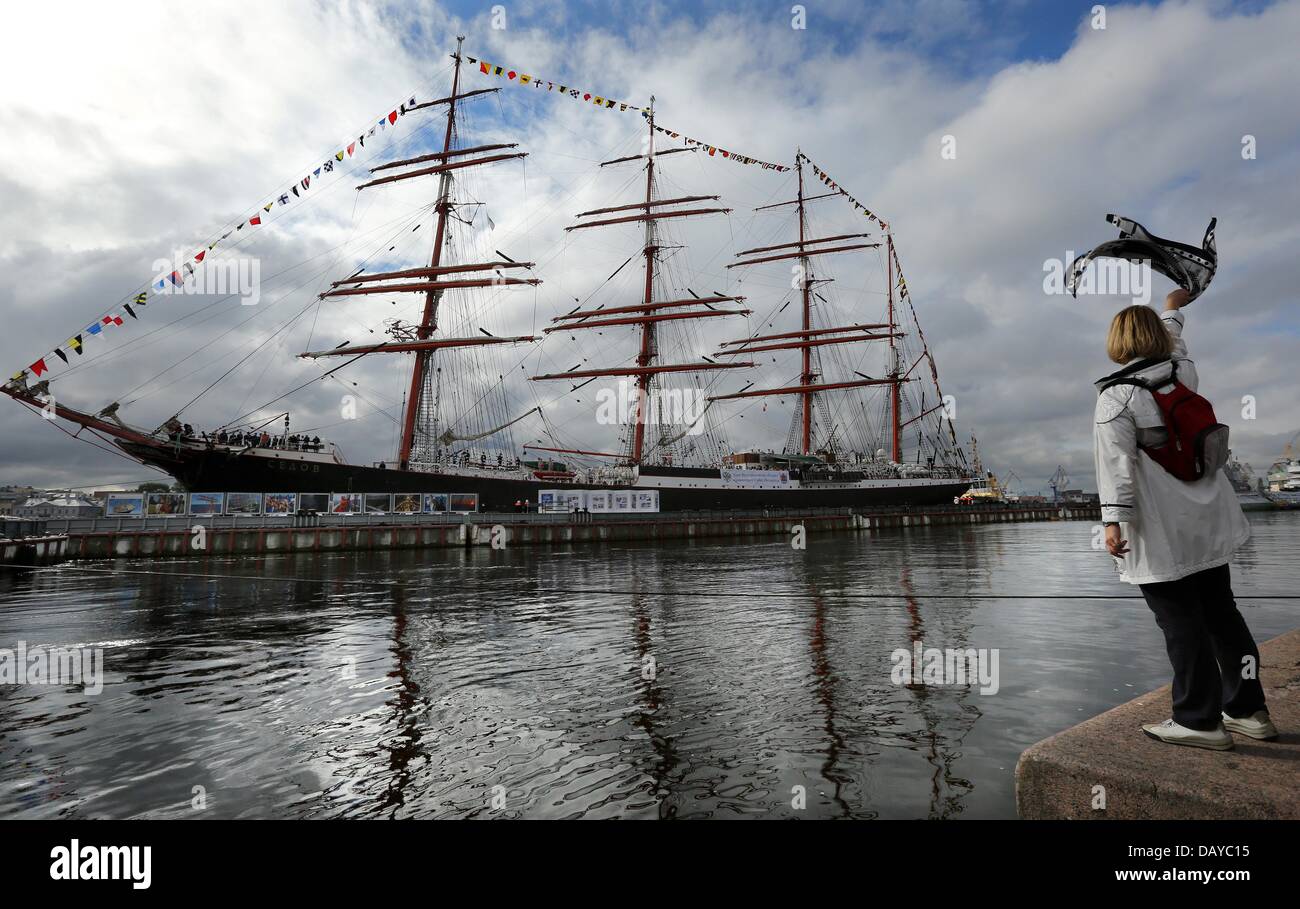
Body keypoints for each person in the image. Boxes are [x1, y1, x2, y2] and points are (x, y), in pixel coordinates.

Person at [1094, 288, 1273, 750]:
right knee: (1221, 614)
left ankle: (1198, 720)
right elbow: (1175, 340)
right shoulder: (1183, 373)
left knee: (1180, 623)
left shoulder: (1115, 398)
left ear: (1115, 343)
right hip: (1209, 519)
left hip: (1162, 528)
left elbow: (1115, 468)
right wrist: (1172, 306)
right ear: (1157, 337)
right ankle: (1248, 710)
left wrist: (1112, 523)